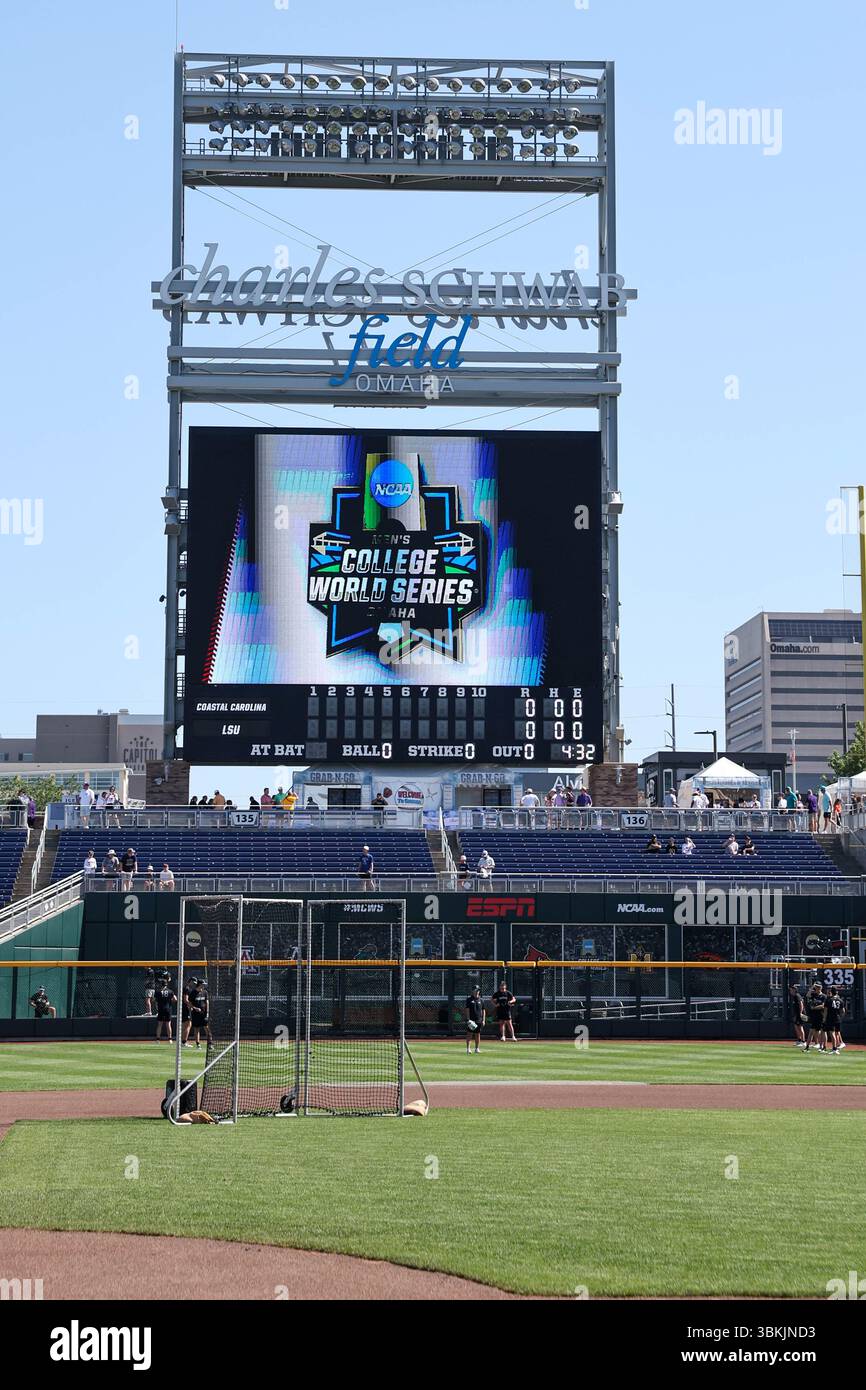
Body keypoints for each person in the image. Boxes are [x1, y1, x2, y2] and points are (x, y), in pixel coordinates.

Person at [188, 977, 211, 1048]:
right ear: (199, 984)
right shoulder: (193, 993)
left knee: (207, 1028)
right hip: (195, 1014)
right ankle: (198, 1044)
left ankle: (210, 1043)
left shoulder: (205, 992)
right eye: (203, 984)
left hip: (204, 1014)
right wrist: (195, 1008)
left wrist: (207, 1012)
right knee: (196, 1028)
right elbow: (189, 1003)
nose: (204, 985)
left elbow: (207, 1002)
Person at [154, 972, 177, 1042]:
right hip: (168, 1009)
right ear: (166, 985)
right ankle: (170, 1039)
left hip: (161, 1009)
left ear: (161, 985)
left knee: (160, 1024)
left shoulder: (157, 992)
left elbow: (154, 1000)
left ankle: (158, 1039)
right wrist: (169, 1000)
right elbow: (175, 999)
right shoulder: (170, 991)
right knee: (168, 1024)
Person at [804, 981, 827, 1052]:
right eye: (816, 987)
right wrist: (811, 988)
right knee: (811, 1031)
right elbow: (807, 995)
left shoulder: (823, 996)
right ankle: (807, 1047)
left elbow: (823, 1006)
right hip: (813, 1016)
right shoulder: (814, 994)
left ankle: (822, 1047)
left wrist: (814, 1008)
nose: (817, 988)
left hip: (820, 1015)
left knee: (820, 1032)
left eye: (819, 987)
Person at [465, 984, 485, 1054]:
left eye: (478, 990)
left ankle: (477, 1048)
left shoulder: (481, 1000)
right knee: (469, 1034)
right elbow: (467, 1009)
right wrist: (468, 1019)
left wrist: (483, 1020)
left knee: (478, 1034)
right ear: (472, 991)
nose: (477, 992)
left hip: (479, 1020)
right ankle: (468, 1049)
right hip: (471, 1020)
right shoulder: (469, 1000)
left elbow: (483, 1010)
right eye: (475, 990)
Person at [824, 986, 844, 1054]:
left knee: (832, 1033)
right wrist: (840, 1016)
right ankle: (837, 1046)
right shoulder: (840, 1000)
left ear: (831, 992)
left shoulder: (829, 1000)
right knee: (837, 1033)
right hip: (837, 1018)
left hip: (830, 1018)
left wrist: (824, 1019)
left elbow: (826, 1011)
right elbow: (843, 1011)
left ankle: (834, 1048)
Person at [789, 983, 807, 1048]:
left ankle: (803, 1041)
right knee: (796, 1026)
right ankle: (799, 1040)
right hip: (797, 1013)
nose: (790, 990)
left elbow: (801, 1004)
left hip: (800, 1014)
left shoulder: (797, 995)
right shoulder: (794, 996)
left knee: (800, 1027)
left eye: (791, 989)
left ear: (794, 990)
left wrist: (800, 1013)